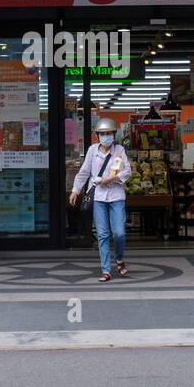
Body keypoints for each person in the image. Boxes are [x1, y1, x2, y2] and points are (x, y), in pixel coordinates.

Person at [69, 118, 132, 282]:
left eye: (109, 133)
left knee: (119, 233)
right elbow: (84, 172)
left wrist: (111, 179)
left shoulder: (119, 150)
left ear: (114, 134)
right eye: (102, 134)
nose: (106, 136)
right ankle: (106, 270)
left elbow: (127, 171)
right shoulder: (92, 150)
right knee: (102, 234)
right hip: (98, 197)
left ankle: (119, 258)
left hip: (116, 195)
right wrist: (75, 190)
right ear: (97, 135)